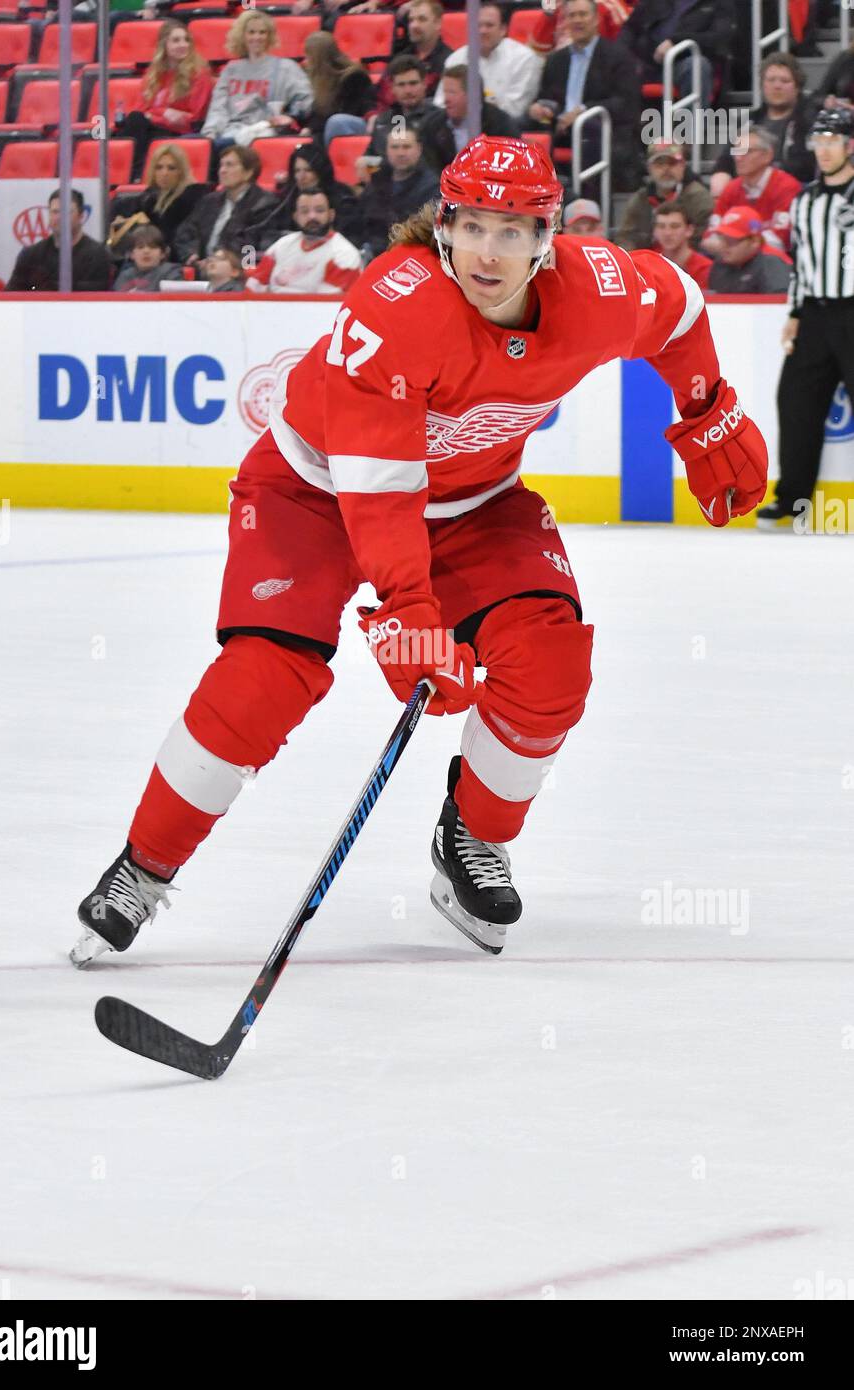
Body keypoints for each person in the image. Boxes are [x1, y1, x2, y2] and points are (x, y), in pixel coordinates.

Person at [72, 135, 767, 969]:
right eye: (473, 226)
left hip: (474, 505)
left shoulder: (597, 288)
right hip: (316, 493)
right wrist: (409, 612)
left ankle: (471, 837)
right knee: (267, 674)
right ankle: (142, 869)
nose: (489, 250)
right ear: (443, 227)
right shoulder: (394, 307)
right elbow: (378, 490)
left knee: (550, 663)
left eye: (514, 231)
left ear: (547, 238)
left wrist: (705, 413)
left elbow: (682, 306)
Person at [760, 108, 854, 527]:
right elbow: (802, 261)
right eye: (819, 141)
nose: (825, 150)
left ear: (849, 146)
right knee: (795, 401)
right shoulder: (804, 201)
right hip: (814, 314)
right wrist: (795, 312)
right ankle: (793, 498)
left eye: (833, 140)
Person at [526, 0, 642, 192]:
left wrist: (583, 111)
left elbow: (625, 103)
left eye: (583, 14)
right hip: (560, 128)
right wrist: (538, 107)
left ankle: (585, 209)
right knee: (521, 125)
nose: (577, 20)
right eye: (572, 16)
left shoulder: (618, 56)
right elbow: (547, 97)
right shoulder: (556, 60)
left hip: (601, 130)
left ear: (596, 19)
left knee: (587, 129)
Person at [115, 19, 213, 178]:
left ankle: (134, 175)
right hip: (151, 127)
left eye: (186, 39)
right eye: (176, 40)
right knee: (134, 120)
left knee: (136, 125)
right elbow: (141, 110)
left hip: (179, 131)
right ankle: (131, 174)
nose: (183, 44)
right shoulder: (153, 74)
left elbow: (193, 117)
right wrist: (165, 112)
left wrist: (153, 115)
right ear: (164, 45)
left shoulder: (200, 74)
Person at [201, 11, 312, 151]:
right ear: (243, 36)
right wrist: (210, 133)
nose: (257, 37)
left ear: (269, 36)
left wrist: (290, 116)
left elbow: (305, 99)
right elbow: (218, 108)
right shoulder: (231, 70)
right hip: (231, 134)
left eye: (262, 32)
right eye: (251, 32)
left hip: (268, 131)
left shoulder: (286, 67)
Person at [709, 54, 816, 197]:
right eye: (771, 80)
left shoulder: (808, 120)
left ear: (797, 87)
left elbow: (806, 167)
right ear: (762, 85)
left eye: (785, 81)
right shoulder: (748, 121)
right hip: (747, 189)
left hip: (790, 192)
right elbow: (729, 155)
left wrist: (763, 175)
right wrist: (721, 172)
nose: (777, 86)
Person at [172, 146, 278, 273]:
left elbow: (253, 246)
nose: (222, 170)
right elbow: (186, 232)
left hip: (237, 273)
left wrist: (225, 262)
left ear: (249, 172)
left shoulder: (265, 203)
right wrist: (191, 255)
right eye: (221, 165)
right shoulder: (208, 201)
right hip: (202, 269)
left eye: (230, 165)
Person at [436, 3, 543, 124]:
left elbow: (515, 109)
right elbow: (439, 103)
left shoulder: (524, 59)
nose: (482, 31)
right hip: (457, 127)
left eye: (489, 25)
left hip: (502, 130)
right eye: (478, 25)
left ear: (503, 29)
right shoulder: (456, 59)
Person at [107, 143, 209, 262]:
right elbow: (123, 206)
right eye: (159, 167)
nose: (164, 173)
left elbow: (178, 238)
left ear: (181, 171)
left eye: (171, 168)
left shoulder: (192, 198)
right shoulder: (151, 196)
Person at [708, 126, 801, 257]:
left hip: (773, 263)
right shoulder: (731, 188)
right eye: (736, 151)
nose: (738, 157)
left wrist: (735, 245)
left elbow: (781, 240)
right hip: (733, 261)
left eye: (747, 151)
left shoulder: (787, 187)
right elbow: (710, 237)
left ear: (767, 155)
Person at [247, 188, 362, 293]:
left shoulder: (344, 255)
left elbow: (324, 306)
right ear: (296, 217)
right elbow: (253, 287)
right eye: (305, 211)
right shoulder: (282, 245)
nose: (312, 217)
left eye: (319, 210)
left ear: (331, 215)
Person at [620, 0, 734, 106]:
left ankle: (692, 126)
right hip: (647, 65)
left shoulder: (718, 3)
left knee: (696, 65)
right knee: (612, 62)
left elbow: (719, 38)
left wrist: (676, 42)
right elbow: (629, 29)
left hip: (683, 65)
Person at [6, 189, 113, 291]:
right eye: (55, 212)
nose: (59, 217)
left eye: (66, 212)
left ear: (81, 216)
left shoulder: (97, 256)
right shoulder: (31, 255)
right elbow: (11, 297)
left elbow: (95, 298)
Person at [366, 55, 457, 175]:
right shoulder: (382, 122)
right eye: (401, 85)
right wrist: (368, 167)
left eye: (413, 83)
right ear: (392, 88)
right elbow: (369, 161)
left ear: (425, 84)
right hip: (386, 189)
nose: (408, 90)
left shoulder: (440, 120)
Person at [359, 127, 441, 259]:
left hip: (405, 255)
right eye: (395, 147)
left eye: (406, 147)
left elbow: (419, 234)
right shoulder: (378, 179)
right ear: (387, 150)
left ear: (419, 149)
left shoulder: (431, 187)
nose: (400, 153)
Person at [263, 143, 363, 250]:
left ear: (321, 171)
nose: (301, 177)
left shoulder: (343, 197)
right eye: (297, 171)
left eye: (308, 170)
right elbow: (268, 232)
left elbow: (351, 239)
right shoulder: (288, 196)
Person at [617, 141, 712, 251]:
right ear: (649, 168)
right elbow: (625, 237)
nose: (666, 169)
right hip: (646, 262)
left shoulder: (698, 197)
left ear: (683, 166)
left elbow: (703, 237)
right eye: (659, 164)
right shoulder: (640, 199)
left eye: (672, 163)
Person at [301, 30, 376, 146]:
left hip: (354, 126)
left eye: (309, 56)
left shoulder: (354, 77)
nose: (306, 61)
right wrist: (308, 128)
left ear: (319, 58)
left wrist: (314, 128)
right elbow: (318, 113)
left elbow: (348, 111)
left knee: (336, 122)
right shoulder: (320, 80)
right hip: (328, 128)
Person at [379, 0, 452, 109]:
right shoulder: (400, 58)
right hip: (391, 118)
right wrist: (372, 115)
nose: (414, 25)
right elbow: (379, 94)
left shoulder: (450, 61)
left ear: (438, 23)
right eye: (411, 20)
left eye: (422, 19)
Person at [706, 207, 791, 294]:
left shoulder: (772, 265)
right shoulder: (720, 266)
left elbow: (778, 304)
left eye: (731, 241)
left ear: (754, 242)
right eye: (722, 239)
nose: (724, 246)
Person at [442, 65, 518, 152]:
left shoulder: (500, 124)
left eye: (452, 92)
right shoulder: (433, 126)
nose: (446, 99)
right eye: (445, 92)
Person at [529, 0, 632, 55]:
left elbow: (627, 51)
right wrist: (548, 13)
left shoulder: (609, 4)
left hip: (601, 73)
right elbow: (538, 50)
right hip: (561, 72)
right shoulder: (555, 5)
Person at [651, 201, 711, 288]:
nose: (667, 233)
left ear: (689, 230)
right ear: (654, 231)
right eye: (661, 226)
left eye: (675, 226)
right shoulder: (649, 264)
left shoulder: (705, 269)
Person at [112, 225, 183, 292]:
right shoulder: (124, 276)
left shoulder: (171, 273)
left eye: (153, 247)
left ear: (162, 253)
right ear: (131, 254)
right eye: (140, 247)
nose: (146, 251)